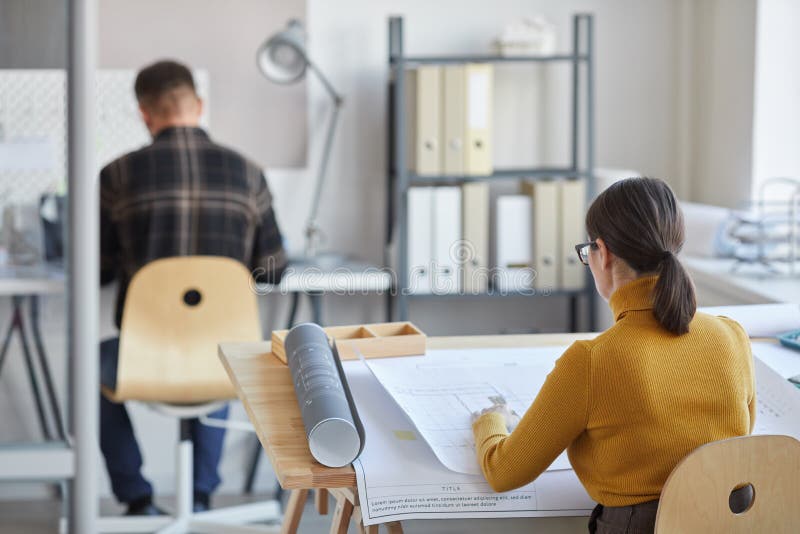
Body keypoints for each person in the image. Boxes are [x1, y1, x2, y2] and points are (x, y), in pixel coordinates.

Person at [471, 177, 755, 533]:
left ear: (601, 253)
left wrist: (490, 421)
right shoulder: (731, 335)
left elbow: (503, 472)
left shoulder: (591, 361)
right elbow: (735, 438)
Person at [99, 60, 288, 516]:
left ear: (144, 113)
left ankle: (137, 498)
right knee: (220, 345)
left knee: (90, 364)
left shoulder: (116, 176)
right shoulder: (248, 172)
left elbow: (98, 270)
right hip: (224, 363)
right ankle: (201, 496)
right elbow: (273, 269)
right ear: (198, 106)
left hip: (142, 356)